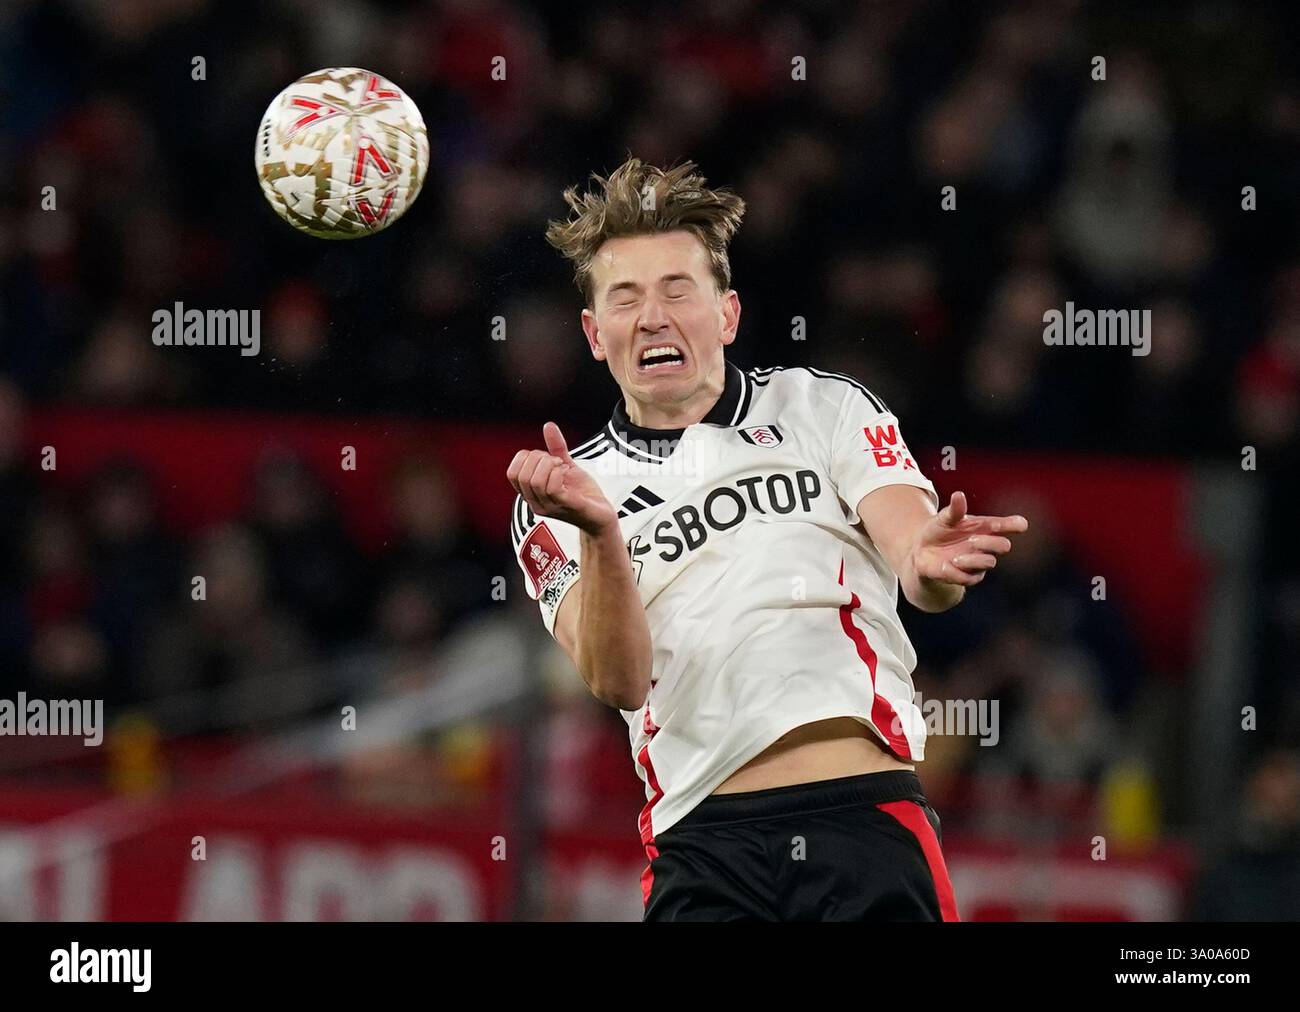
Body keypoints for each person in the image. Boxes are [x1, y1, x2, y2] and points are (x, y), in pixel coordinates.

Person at [506, 158, 1028, 921]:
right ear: (594, 333)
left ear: (727, 314)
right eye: (626, 298)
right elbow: (617, 681)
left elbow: (920, 563)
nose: (653, 315)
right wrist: (601, 534)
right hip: (701, 845)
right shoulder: (559, 497)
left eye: (677, 290)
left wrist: (928, 560)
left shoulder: (821, 406)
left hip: (861, 817)